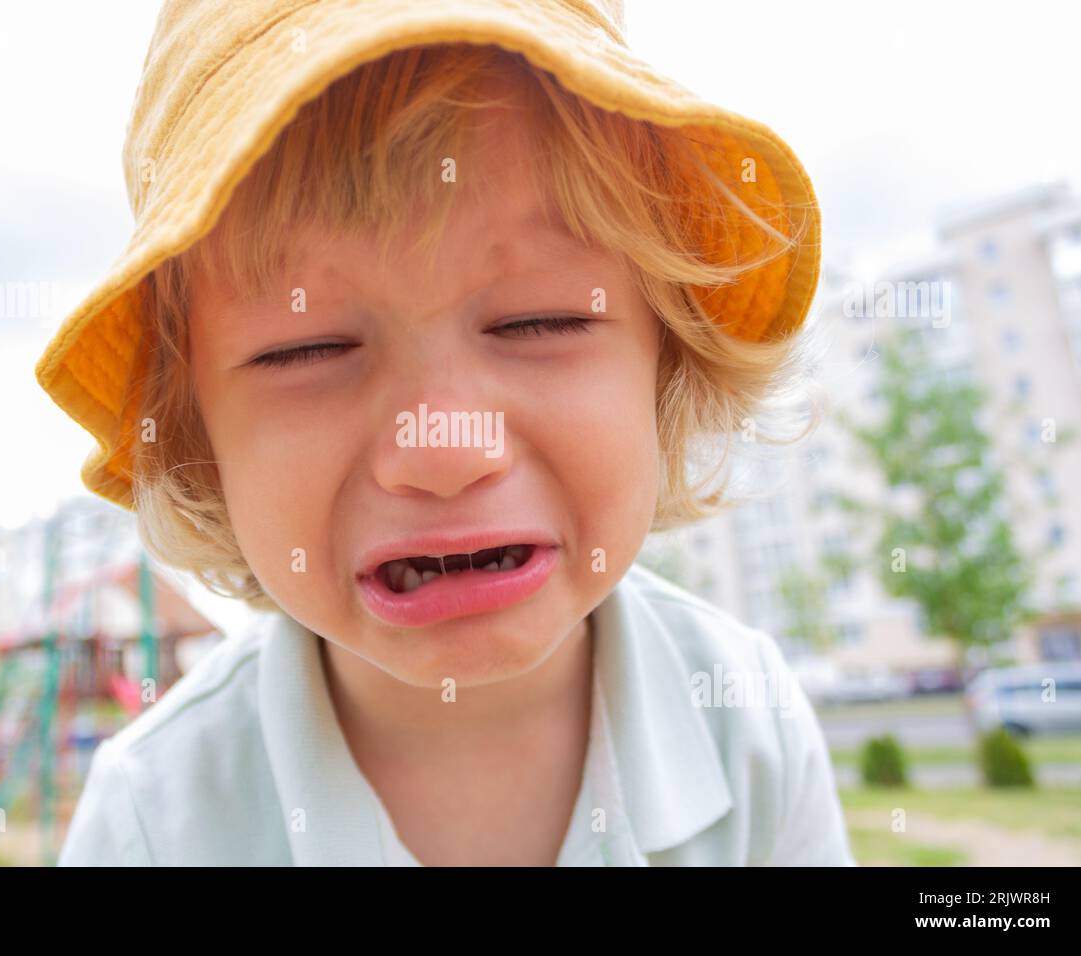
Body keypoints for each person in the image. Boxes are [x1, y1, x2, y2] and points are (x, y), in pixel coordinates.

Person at [41, 0, 853, 866]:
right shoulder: (153, 824)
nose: (445, 448)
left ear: (667, 364)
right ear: (201, 445)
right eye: (308, 347)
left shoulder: (745, 721)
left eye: (538, 322)